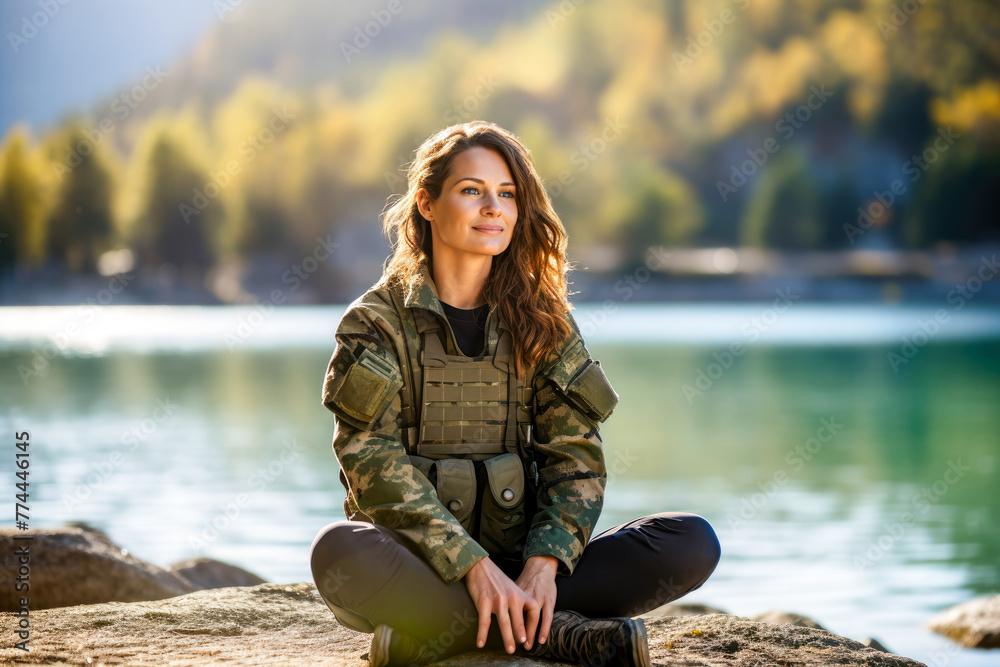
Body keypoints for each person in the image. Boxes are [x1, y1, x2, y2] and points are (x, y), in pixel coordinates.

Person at [310, 120, 720, 667]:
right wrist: (471, 567)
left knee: (691, 543)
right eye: (472, 191)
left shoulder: (543, 321)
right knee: (338, 552)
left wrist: (544, 564)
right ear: (427, 204)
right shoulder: (375, 323)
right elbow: (372, 465)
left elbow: (574, 459)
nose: (493, 208)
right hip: (423, 567)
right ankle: (554, 633)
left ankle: (438, 637)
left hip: (526, 565)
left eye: (506, 194)